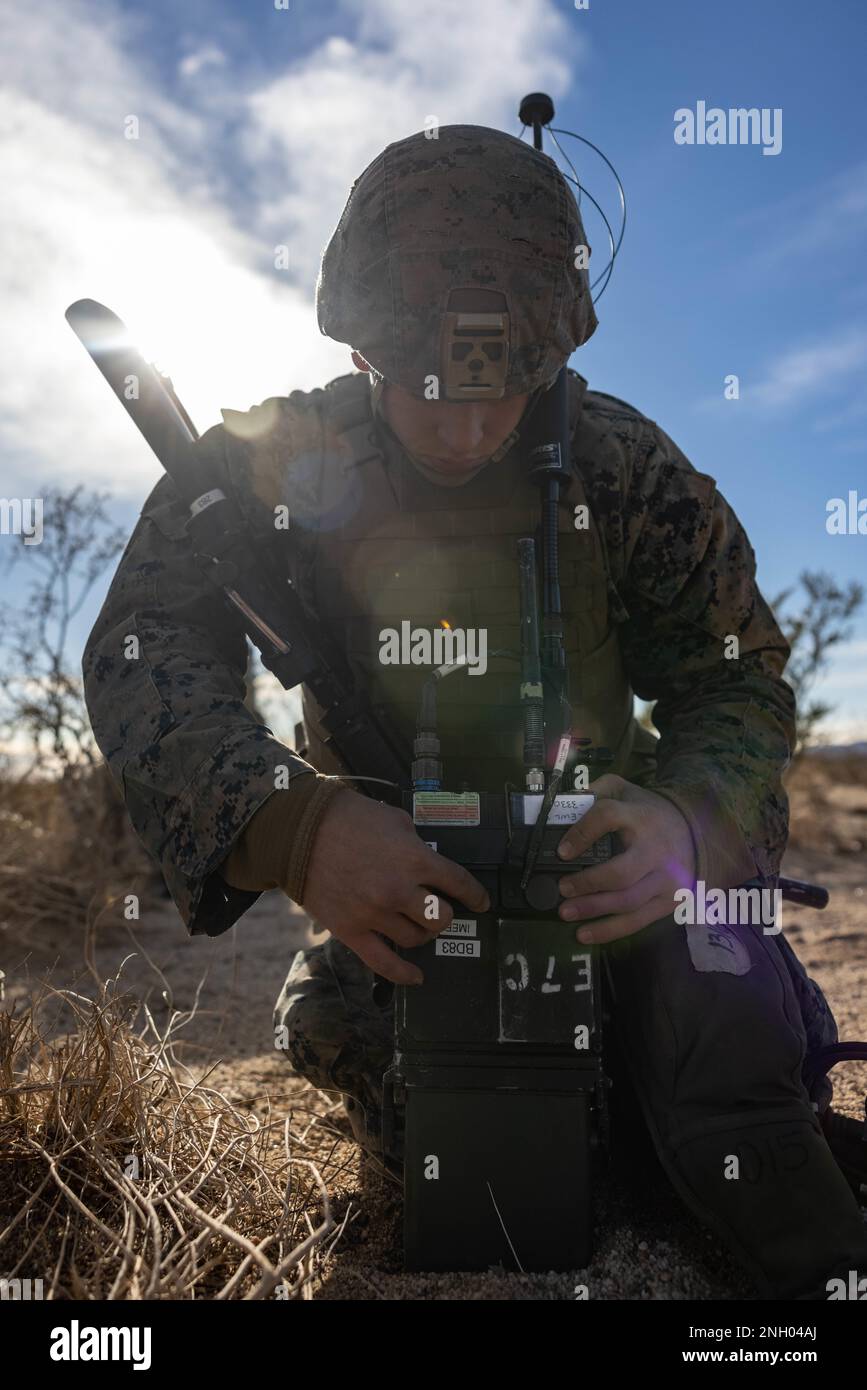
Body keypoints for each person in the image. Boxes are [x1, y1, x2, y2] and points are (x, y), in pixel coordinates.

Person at [83, 124, 867, 1299]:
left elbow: (736, 671)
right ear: (358, 348)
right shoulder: (265, 468)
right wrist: (299, 829)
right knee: (438, 1115)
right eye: (425, 390)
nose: (463, 429)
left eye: (506, 393)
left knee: (729, 1074)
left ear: (553, 353)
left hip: (609, 879)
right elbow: (143, 654)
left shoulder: (620, 467)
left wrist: (686, 820)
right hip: (403, 898)